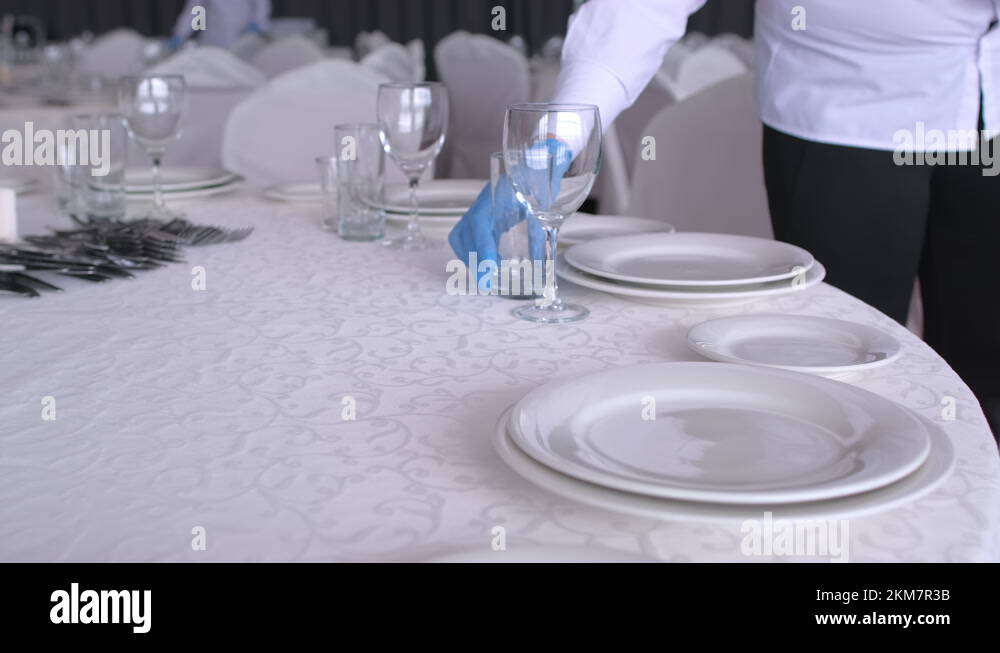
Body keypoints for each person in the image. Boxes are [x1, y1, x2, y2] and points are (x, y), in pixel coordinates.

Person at [449, 0, 1000, 435]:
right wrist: (558, 136)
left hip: (991, 109)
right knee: (847, 373)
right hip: (845, 111)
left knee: (988, 370)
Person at [169, 0, 271, 50]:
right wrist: (180, 34)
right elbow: (194, 10)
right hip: (214, 39)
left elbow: (261, 5)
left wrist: (258, 24)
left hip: (243, 36)